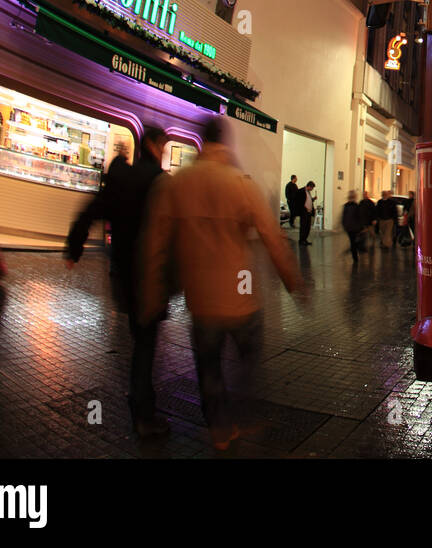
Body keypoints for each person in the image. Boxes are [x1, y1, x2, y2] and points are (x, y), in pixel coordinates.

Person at [140, 116, 303, 451]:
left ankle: (219, 429)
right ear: (225, 143)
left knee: (209, 366)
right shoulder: (240, 182)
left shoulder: (174, 185)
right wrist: (292, 280)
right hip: (242, 295)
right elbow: (272, 235)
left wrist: (151, 296)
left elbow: (154, 245)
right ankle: (244, 414)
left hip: (202, 300)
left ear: (201, 142)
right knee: (248, 357)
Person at [66, 125, 171, 439]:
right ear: (153, 145)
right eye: (163, 143)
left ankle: (141, 402)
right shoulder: (158, 182)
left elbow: (90, 210)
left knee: (140, 341)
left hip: (123, 274)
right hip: (149, 277)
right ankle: (143, 413)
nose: (165, 149)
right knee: (145, 347)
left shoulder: (122, 178)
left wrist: (74, 246)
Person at [341, 190, 362, 262]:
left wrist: (344, 225)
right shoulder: (356, 206)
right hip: (354, 227)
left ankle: (354, 254)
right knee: (353, 241)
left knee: (352, 241)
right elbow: (359, 217)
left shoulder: (346, 206)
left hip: (349, 227)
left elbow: (343, 217)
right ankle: (355, 256)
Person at [298, 181, 316, 246]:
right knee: (303, 226)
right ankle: (301, 240)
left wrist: (313, 199)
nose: (312, 189)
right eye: (312, 188)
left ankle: (305, 239)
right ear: (309, 186)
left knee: (308, 227)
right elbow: (299, 201)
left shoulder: (308, 192)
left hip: (309, 212)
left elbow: (308, 200)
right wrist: (303, 208)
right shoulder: (301, 191)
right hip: (304, 212)